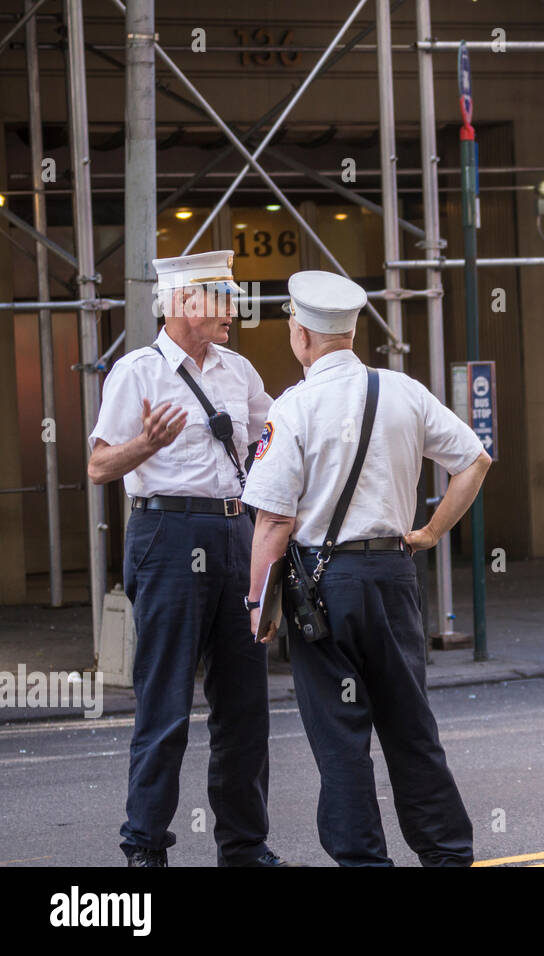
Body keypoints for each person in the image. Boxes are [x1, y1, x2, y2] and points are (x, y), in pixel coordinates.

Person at [242, 270, 491, 867]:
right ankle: (448, 854)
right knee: (411, 728)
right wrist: (430, 532)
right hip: (394, 576)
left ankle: (363, 861)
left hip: (320, 589)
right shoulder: (403, 390)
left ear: (300, 334)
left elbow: (274, 522)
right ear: (352, 332)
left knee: (341, 741)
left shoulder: (293, 407)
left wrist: (258, 604)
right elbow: (475, 461)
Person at [88, 250, 285, 867]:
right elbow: (98, 465)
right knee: (166, 701)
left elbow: (274, 437)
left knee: (246, 704)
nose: (235, 310)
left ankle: (245, 848)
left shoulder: (240, 369)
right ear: (181, 304)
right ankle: (144, 846)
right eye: (223, 299)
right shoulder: (136, 372)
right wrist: (145, 444)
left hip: (236, 533)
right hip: (167, 535)